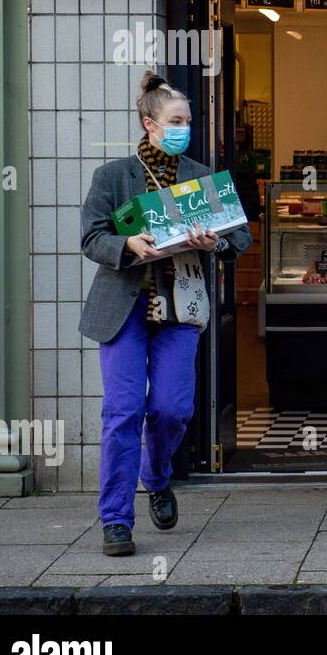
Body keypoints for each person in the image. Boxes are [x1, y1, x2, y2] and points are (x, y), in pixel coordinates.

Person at [80, 72, 251, 557]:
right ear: (149, 124)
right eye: (176, 121)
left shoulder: (202, 177)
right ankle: (115, 519)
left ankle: (155, 478)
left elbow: (239, 238)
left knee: (174, 409)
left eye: (189, 121)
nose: (185, 129)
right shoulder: (113, 177)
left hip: (181, 308)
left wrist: (214, 241)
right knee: (123, 412)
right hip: (124, 308)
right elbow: (92, 237)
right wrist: (127, 244)